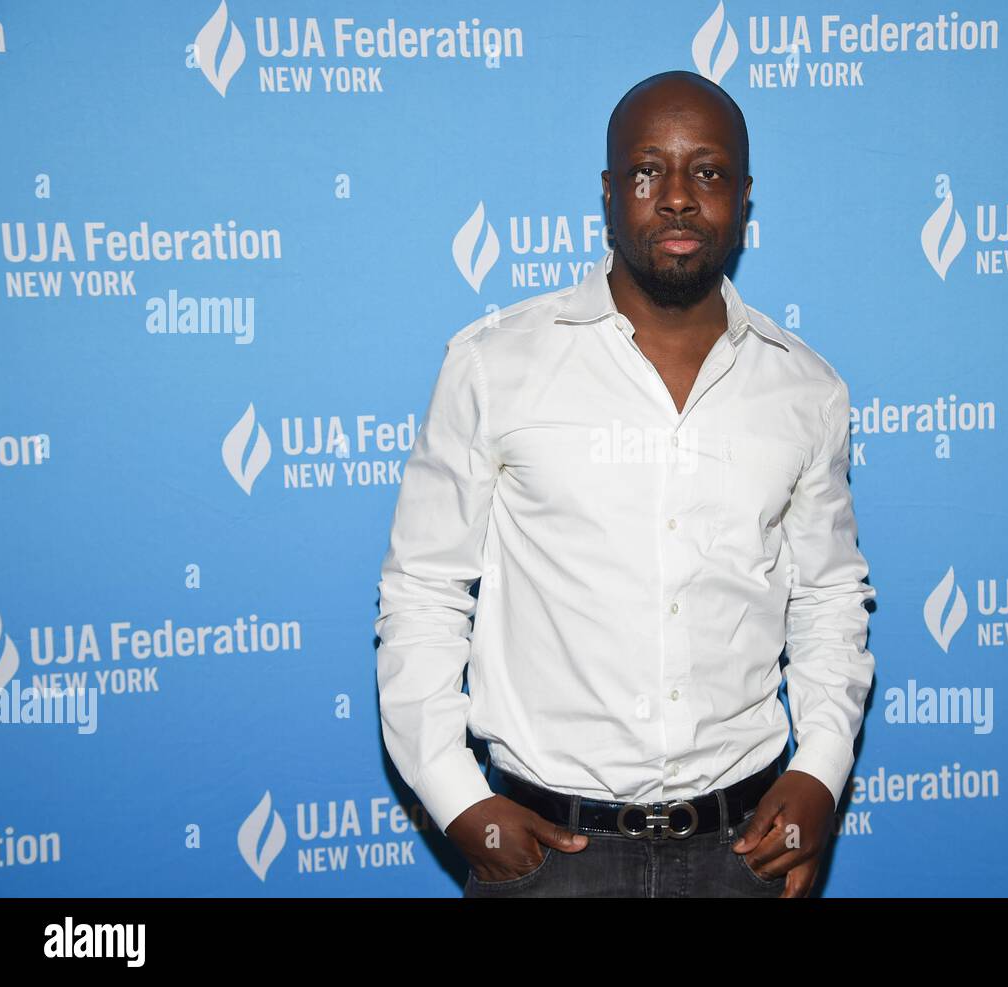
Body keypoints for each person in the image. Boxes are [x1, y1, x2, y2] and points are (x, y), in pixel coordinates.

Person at [374, 70, 876, 898]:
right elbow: (424, 591)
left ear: (744, 197)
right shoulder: (494, 366)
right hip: (548, 858)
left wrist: (821, 770)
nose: (677, 197)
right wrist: (457, 795)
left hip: (743, 851)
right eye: (648, 171)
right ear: (610, 194)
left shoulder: (805, 388)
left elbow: (826, 597)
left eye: (707, 172)